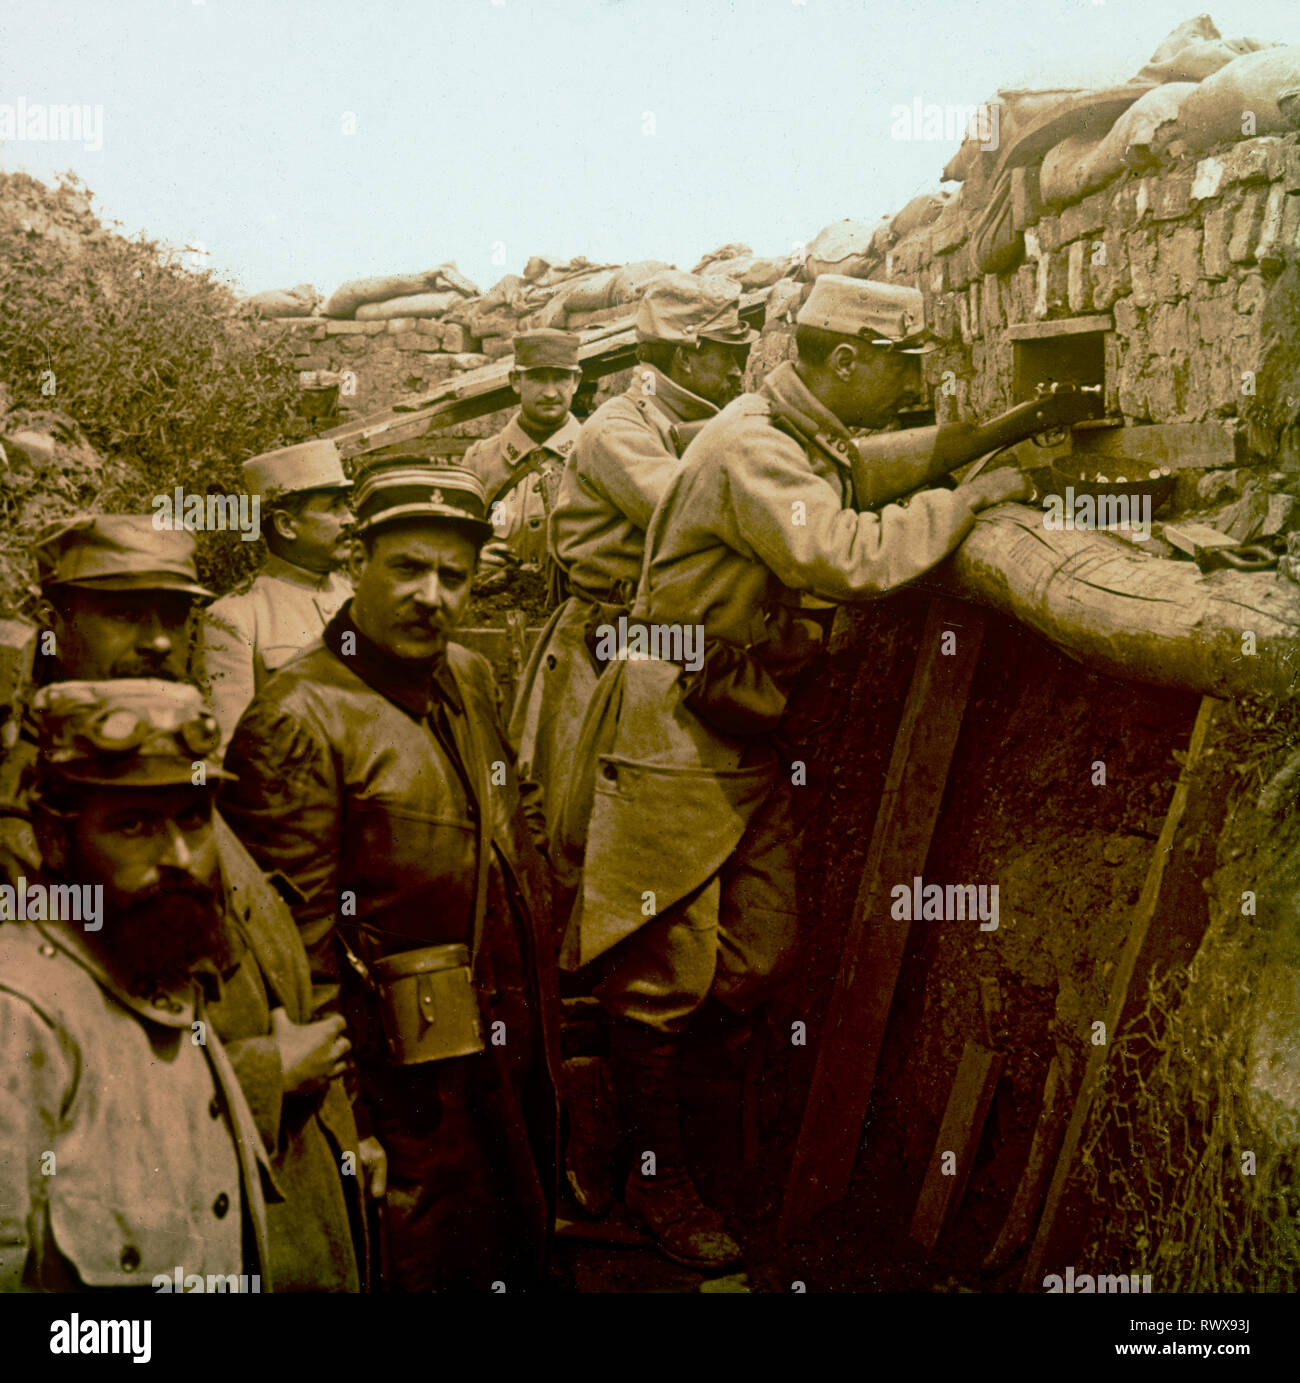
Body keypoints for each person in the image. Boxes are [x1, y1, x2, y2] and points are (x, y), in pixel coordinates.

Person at [557, 274, 1036, 1270]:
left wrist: (968, 441)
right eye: (900, 369)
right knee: (660, 972)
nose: (909, 388)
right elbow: (847, 550)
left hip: (739, 718)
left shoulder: (781, 427)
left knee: (759, 955)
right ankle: (653, 1180)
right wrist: (967, 498)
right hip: (677, 723)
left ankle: (685, 1152)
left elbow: (857, 468)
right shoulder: (751, 444)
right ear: (846, 361)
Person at [219, 459, 563, 1293]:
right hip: (399, 1099)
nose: (432, 595)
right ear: (357, 562)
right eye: (407, 567)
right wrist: (350, 1126)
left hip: (494, 1062)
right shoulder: (298, 717)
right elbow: (292, 954)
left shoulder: (468, 677)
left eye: (454, 575)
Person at [1, 518, 370, 1290]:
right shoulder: (35, 822)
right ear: (56, 624)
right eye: (125, 613)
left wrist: (342, 1130)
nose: (161, 640)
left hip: (279, 1201)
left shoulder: (182, 779)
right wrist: (267, 1077)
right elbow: (60, 1087)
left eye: (174, 614)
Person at [0, 679, 273, 1291]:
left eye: (194, 819)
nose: (180, 854)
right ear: (53, 838)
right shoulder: (19, 1011)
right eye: (134, 826)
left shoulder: (161, 962)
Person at [511, 270, 756, 823]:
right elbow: (692, 514)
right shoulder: (615, 431)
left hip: (658, 640)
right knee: (593, 819)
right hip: (607, 641)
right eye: (726, 355)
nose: (738, 371)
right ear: (686, 359)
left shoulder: (690, 423)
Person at [198, 439, 353, 748]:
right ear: (286, 525)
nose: (349, 519)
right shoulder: (234, 619)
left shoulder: (360, 599)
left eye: (347, 505)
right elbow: (228, 748)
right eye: (334, 508)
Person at [463, 328, 583, 587]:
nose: (551, 393)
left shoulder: (595, 455)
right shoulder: (480, 461)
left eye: (561, 378)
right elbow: (455, 541)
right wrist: (471, 560)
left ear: (576, 381)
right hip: (492, 610)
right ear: (516, 381)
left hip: (572, 612)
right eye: (538, 378)